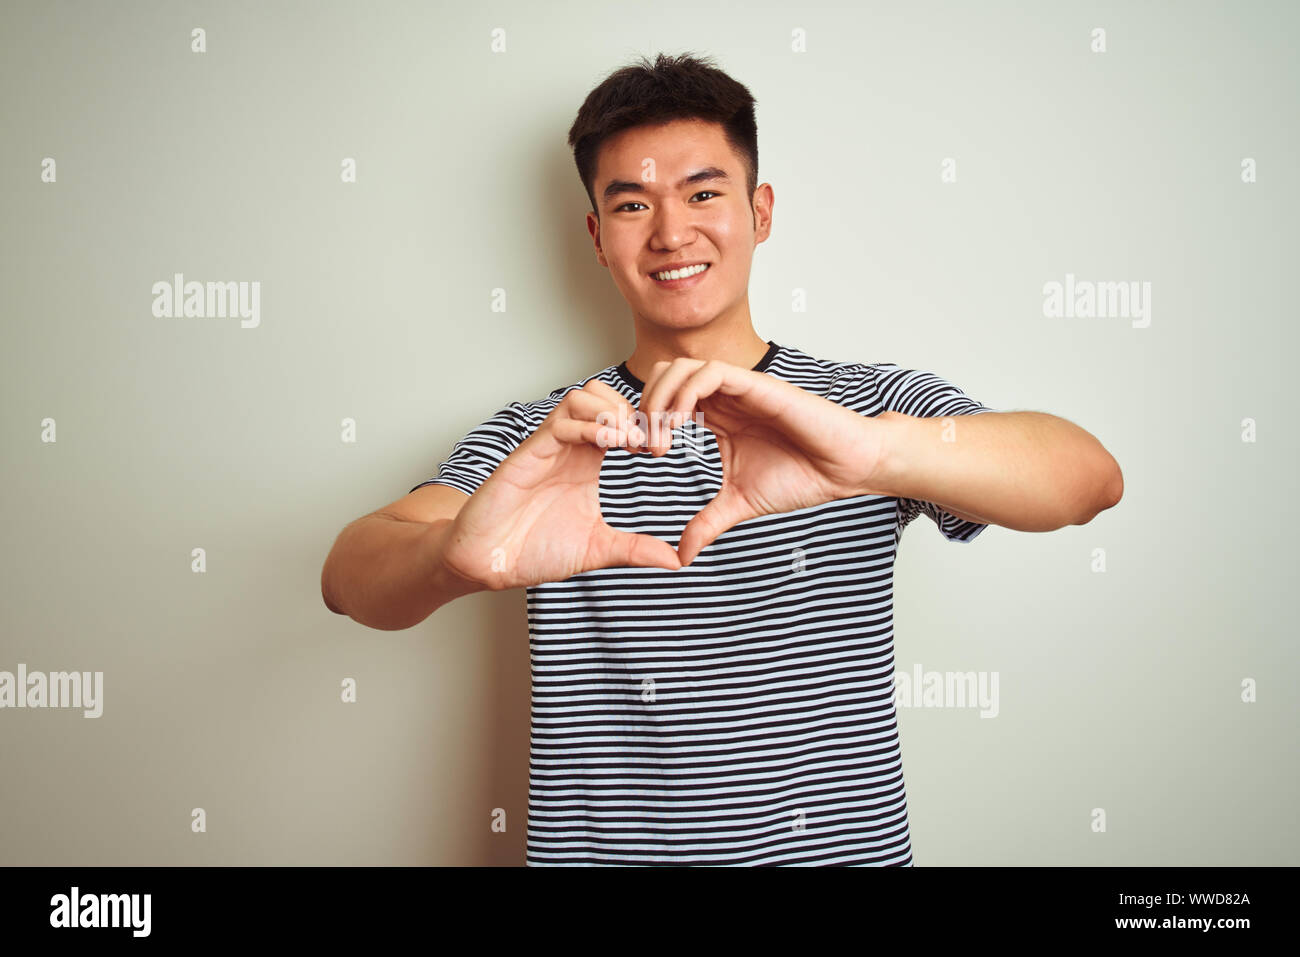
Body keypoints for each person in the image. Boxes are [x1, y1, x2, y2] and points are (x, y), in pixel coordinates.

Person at [320, 52, 1123, 865]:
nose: (672, 232)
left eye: (704, 193)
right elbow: (348, 577)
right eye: (632, 204)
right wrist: (455, 560)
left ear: (760, 210)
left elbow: (1087, 477)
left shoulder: (862, 407)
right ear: (596, 237)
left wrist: (874, 452)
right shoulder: (547, 439)